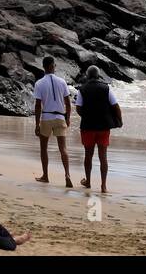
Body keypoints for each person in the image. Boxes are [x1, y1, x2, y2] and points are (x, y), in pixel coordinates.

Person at [75, 65, 122, 193]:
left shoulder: (82, 89)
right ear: (98, 75)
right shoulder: (106, 88)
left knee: (88, 155)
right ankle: (103, 185)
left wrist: (86, 116)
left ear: (87, 76)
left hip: (88, 126)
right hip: (103, 126)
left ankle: (88, 181)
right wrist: (119, 120)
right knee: (103, 157)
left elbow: (78, 108)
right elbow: (115, 105)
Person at [33, 55, 73, 188]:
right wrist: (67, 118)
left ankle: (45, 176)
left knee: (43, 148)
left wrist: (37, 124)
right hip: (60, 117)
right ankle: (67, 175)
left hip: (46, 117)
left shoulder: (39, 83)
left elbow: (38, 105)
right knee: (63, 149)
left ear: (44, 67)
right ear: (53, 66)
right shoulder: (62, 82)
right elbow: (68, 103)